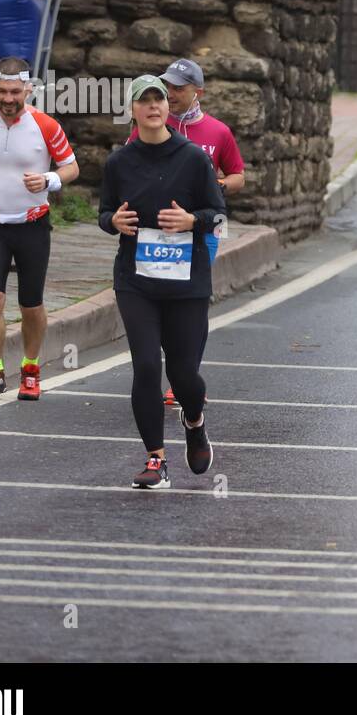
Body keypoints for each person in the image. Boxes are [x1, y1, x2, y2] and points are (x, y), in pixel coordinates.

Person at [100, 74, 224, 488]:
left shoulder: (192, 158)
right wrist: (112, 221)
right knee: (147, 366)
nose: (153, 106)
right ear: (133, 110)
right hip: (136, 281)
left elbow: (218, 216)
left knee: (184, 374)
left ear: (168, 108)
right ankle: (155, 459)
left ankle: (194, 420)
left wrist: (192, 220)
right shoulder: (119, 162)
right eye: (144, 100)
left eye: (159, 99)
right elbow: (104, 215)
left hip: (186, 283)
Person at [0, 57, 79, 400]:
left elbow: (71, 167)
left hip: (32, 224)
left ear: (29, 89)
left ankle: (31, 368)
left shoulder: (46, 125)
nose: (9, 99)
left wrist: (49, 179)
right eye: (2, 91)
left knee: (30, 305)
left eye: (16, 92)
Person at [129, 59, 245, 407]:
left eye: (180, 87)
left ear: (199, 92)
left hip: (203, 228)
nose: (172, 94)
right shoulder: (147, 127)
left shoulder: (218, 132)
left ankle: (185, 375)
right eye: (169, 86)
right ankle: (173, 367)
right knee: (160, 302)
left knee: (191, 302)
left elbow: (239, 176)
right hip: (157, 231)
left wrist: (216, 184)